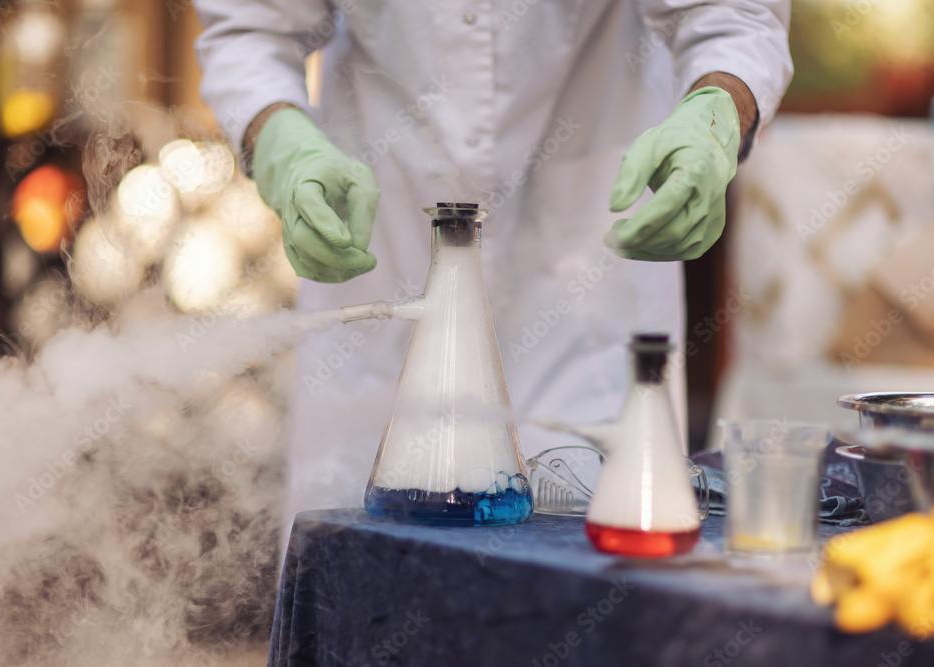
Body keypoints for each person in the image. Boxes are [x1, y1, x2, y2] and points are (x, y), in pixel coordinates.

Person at [193, 0, 792, 538]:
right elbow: (250, 28)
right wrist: (284, 144)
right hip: (387, 245)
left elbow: (733, 15)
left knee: (585, 588)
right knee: (364, 581)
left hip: (582, 274)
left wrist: (715, 114)